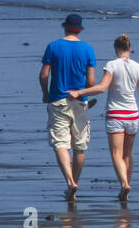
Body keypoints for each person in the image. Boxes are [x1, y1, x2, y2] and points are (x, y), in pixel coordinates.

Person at [69, 33, 139, 201]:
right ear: (130, 49)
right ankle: (126, 186)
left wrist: (79, 92)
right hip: (133, 115)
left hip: (116, 114)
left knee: (116, 154)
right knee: (127, 154)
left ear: (117, 49)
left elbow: (102, 88)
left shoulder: (111, 65)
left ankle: (124, 184)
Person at [39, 13, 97, 198]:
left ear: (65, 27)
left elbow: (44, 75)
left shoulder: (53, 46)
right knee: (80, 146)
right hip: (80, 101)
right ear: (79, 29)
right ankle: (75, 182)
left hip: (58, 99)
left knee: (60, 143)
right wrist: (84, 93)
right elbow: (91, 81)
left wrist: (45, 93)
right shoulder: (88, 50)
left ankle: (69, 182)